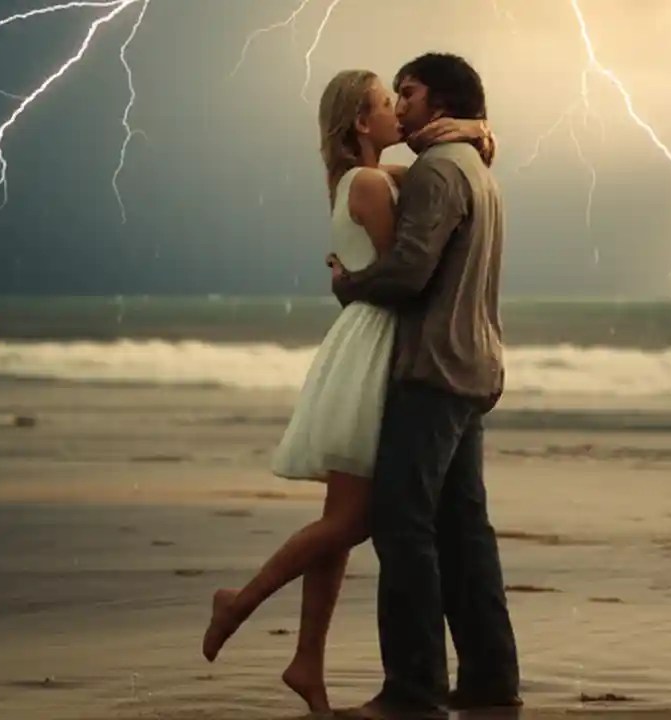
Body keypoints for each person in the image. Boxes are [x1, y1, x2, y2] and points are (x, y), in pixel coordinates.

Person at [200, 67, 493, 714]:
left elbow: (416, 176)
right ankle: (241, 601)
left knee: (340, 521)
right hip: (377, 345)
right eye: (389, 105)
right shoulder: (367, 183)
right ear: (363, 124)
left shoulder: (359, 179)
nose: (400, 116)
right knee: (357, 519)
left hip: (358, 342)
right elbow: (401, 275)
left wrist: (469, 133)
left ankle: (307, 661)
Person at [328, 52, 521, 719]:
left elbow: (410, 271)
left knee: (402, 522)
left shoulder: (442, 170)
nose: (399, 105)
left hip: (435, 369)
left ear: (437, 102)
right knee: (464, 527)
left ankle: (412, 691)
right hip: (476, 367)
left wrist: (351, 286)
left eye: (406, 93)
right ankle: (491, 679)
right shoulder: (474, 166)